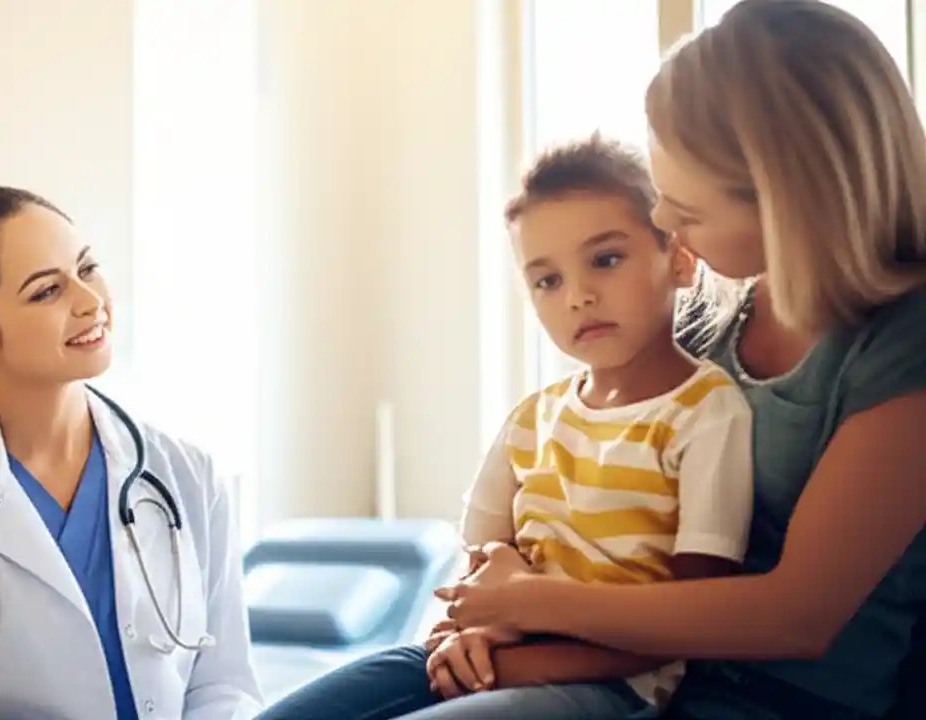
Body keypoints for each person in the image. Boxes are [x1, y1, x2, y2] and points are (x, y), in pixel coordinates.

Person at [440, 2, 926, 719]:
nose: (664, 226)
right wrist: (488, 598)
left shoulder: (901, 346)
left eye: (686, 213)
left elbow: (797, 617)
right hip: (613, 670)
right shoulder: (708, 320)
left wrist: (531, 602)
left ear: (787, 201)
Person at [260, 134, 756, 720]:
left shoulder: (705, 411)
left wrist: (520, 662)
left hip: (613, 686)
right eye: (547, 280)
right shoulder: (533, 419)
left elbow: (690, 620)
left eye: (606, 259)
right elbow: (481, 563)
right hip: (497, 656)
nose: (579, 296)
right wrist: (461, 638)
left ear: (678, 258)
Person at [0, 185, 262, 719]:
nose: (90, 301)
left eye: (87, 268)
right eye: (46, 292)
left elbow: (225, 687)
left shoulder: (189, 478)